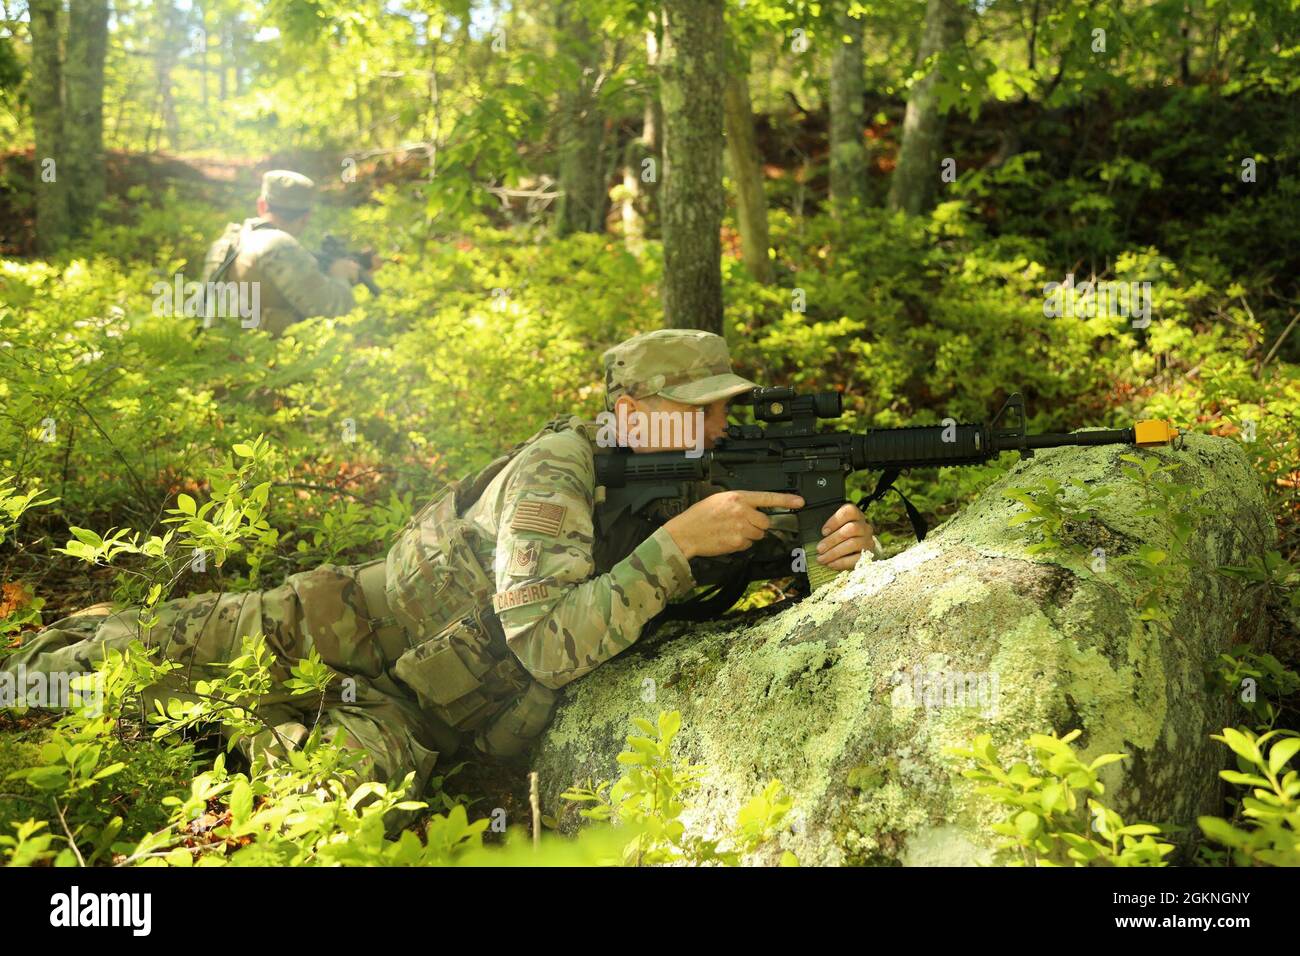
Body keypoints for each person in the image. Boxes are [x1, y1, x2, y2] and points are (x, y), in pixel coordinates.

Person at [3, 329, 881, 802]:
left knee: (328, 795)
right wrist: (678, 546)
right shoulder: (559, 468)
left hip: (422, 717)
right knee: (99, 667)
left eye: (720, 410)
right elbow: (542, 644)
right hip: (331, 629)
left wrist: (840, 557)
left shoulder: (707, 476)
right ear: (628, 410)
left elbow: (799, 598)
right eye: (692, 410)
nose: (715, 428)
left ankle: (203, 738)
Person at [201, 170, 363, 336]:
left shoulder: (229, 241)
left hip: (217, 351)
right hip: (261, 357)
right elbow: (331, 310)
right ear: (306, 217)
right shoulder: (280, 246)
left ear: (262, 205)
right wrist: (341, 276)